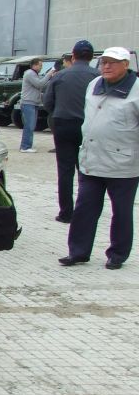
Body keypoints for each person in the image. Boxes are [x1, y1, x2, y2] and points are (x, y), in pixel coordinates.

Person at [60, 47, 138, 270]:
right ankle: (78, 251)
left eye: (113, 62)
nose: (106, 66)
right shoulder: (94, 85)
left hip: (123, 165)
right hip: (91, 160)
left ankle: (117, 254)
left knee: (121, 212)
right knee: (84, 208)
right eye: (104, 62)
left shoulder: (137, 90)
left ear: (126, 64)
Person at [44, 41, 96, 223]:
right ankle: (86, 211)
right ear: (92, 57)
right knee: (86, 170)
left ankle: (66, 212)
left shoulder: (60, 76)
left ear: (73, 56)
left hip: (63, 124)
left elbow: (47, 102)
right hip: (89, 126)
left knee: (65, 170)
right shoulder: (97, 77)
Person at [19, 58, 46, 152]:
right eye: (40, 65)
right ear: (34, 65)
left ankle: (27, 145)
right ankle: (25, 147)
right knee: (29, 125)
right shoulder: (30, 73)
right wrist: (50, 74)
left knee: (31, 125)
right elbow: (39, 84)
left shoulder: (34, 74)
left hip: (33, 103)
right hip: (28, 103)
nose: (41, 68)